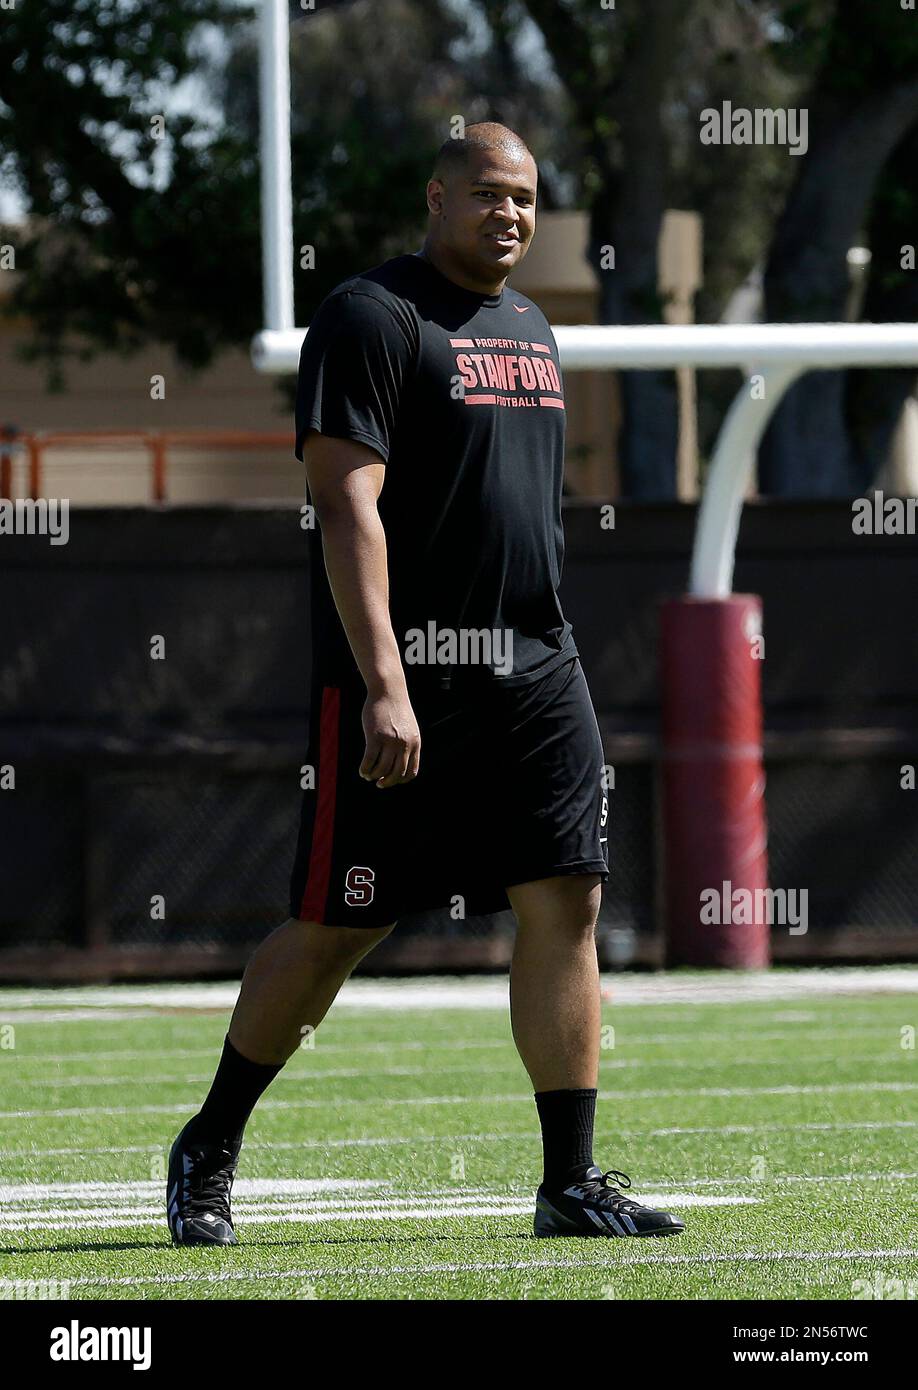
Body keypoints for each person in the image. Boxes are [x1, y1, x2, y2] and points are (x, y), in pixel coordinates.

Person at [166, 122, 684, 1246]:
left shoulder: (533, 326)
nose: (510, 216)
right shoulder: (367, 315)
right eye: (489, 195)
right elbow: (347, 507)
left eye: (528, 201)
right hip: (408, 680)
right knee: (336, 926)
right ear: (437, 196)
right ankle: (209, 1140)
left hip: (537, 671)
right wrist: (386, 685)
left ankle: (569, 1181)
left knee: (568, 900)